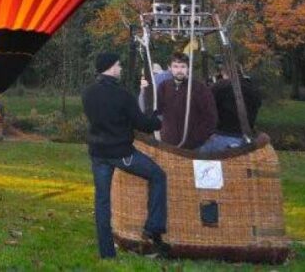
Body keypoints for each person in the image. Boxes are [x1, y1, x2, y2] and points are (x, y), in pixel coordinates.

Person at [82, 52, 170, 259]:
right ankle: (154, 227)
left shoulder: (87, 93)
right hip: (121, 153)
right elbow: (143, 125)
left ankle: (107, 254)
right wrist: (159, 119)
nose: (121, 68)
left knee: (102, 201)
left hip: (97, 153)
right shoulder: (123, 95)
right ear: (111, 67)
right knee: (158, 176)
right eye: (119, 65)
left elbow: (103, 119)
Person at [156, 52, 217, 150]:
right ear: (170, 68)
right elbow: (155, 110)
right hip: (169, 144)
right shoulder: (164, 86)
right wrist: (145, 91)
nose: (179, 70)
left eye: (183, 67)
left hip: (194, 146)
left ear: (188, 68)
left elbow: (211, 117)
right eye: (175, 67)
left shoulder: (200, 88)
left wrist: (199, 138)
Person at [199, 63, 262, 153]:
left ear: (223, 73)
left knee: (194, 152)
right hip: (248, 139)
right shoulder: (254, 88)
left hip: (222, 138)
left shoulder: (220, 86)